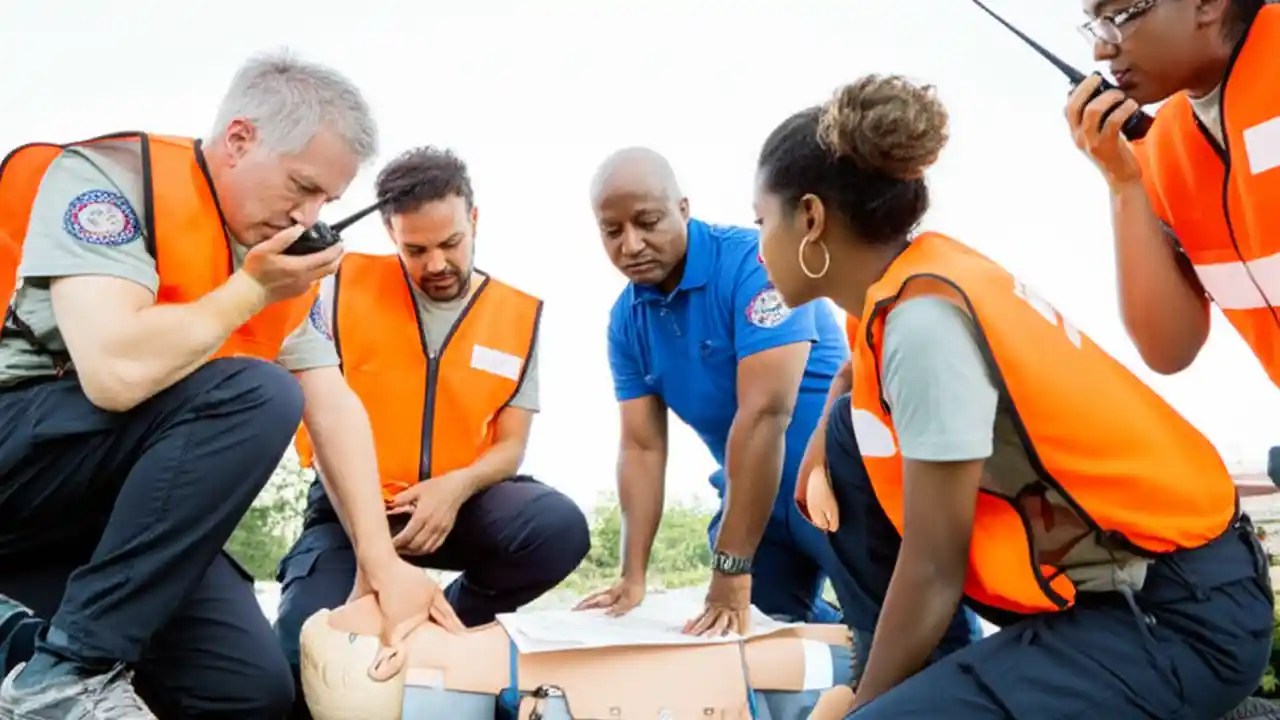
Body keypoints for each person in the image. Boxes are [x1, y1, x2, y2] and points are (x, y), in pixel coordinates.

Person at [755, 74, 1273, 718]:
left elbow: (933, 569)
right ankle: (928, 676)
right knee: (843, 434)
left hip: (1180, 618)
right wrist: (817, 453)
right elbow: (852, 384)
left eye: (762, 221)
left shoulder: (923, 325)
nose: (760, 245)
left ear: (810, 218)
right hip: (1122, 599)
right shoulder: (902, 287)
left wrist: (865, 708)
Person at [0, 52, 455, 720]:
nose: (308, 216)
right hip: (28, 465)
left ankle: (32, 643)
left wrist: (379, 560)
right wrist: (249, 291)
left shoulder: (279, 263)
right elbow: (114, 373)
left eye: (327, 201)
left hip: (122, 519)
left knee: (248, 692)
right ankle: (70, 670)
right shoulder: (108, 183)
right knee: (260, 393)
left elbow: (331, 403)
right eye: (301, 187)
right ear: (240, 140)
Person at [274, 146, 590, 717]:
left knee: (557, 528)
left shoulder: (519, 315)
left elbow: (510, 447)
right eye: (414, 249)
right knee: (301, 651)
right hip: (350, 509)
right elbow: (322, 423)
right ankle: (378, 608)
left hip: (459, 505)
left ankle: (437, 616)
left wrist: (455, 488)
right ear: (392, 235)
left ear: (474, 219)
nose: (436, 264)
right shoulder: (339, 286)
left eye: (450, 244)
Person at [575, 147, 863, 634]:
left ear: (682, 209)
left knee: (908, 636)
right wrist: (633, 574)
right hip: (754, 510)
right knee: (743, 645)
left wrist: (730, 570)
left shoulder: (756, 264)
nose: (631, 245)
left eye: (647, 221)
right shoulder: (626, 321)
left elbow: (766, 413)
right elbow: (641, 447)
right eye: (612, 231)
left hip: (835, 489)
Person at [1064, 0, 1278, 385]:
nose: (1101, 50)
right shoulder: (1161, 149)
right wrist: (1123, 183)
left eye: (1120, 18)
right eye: (1096, 27)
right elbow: (1170, 348)